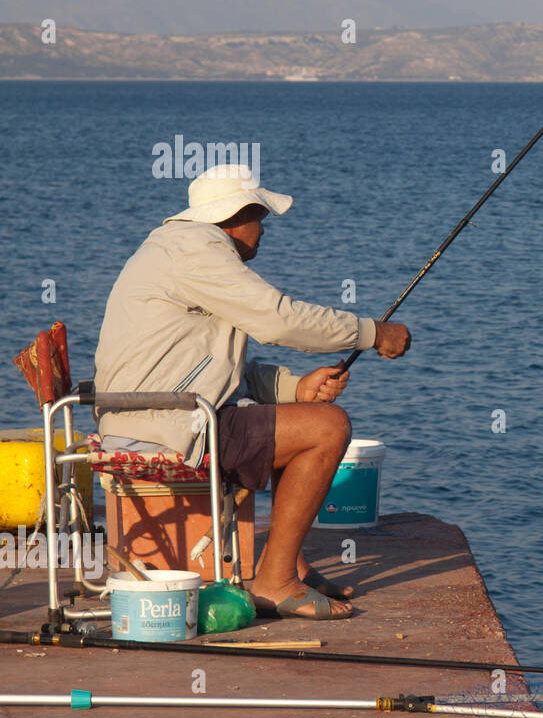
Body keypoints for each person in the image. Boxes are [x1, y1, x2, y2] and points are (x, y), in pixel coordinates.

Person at [95, 164, 410, 619]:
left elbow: (216, 365)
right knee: (329, 427)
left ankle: (290, 565)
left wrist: (295, 386)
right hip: (168, 423)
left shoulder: (180, 249)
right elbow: (277, 318)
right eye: (260, 216)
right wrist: (372, 333)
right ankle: (276, 581)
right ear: (236, 214)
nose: (263, 230)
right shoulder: (196, 250)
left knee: (301, 418)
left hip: (162, 412)